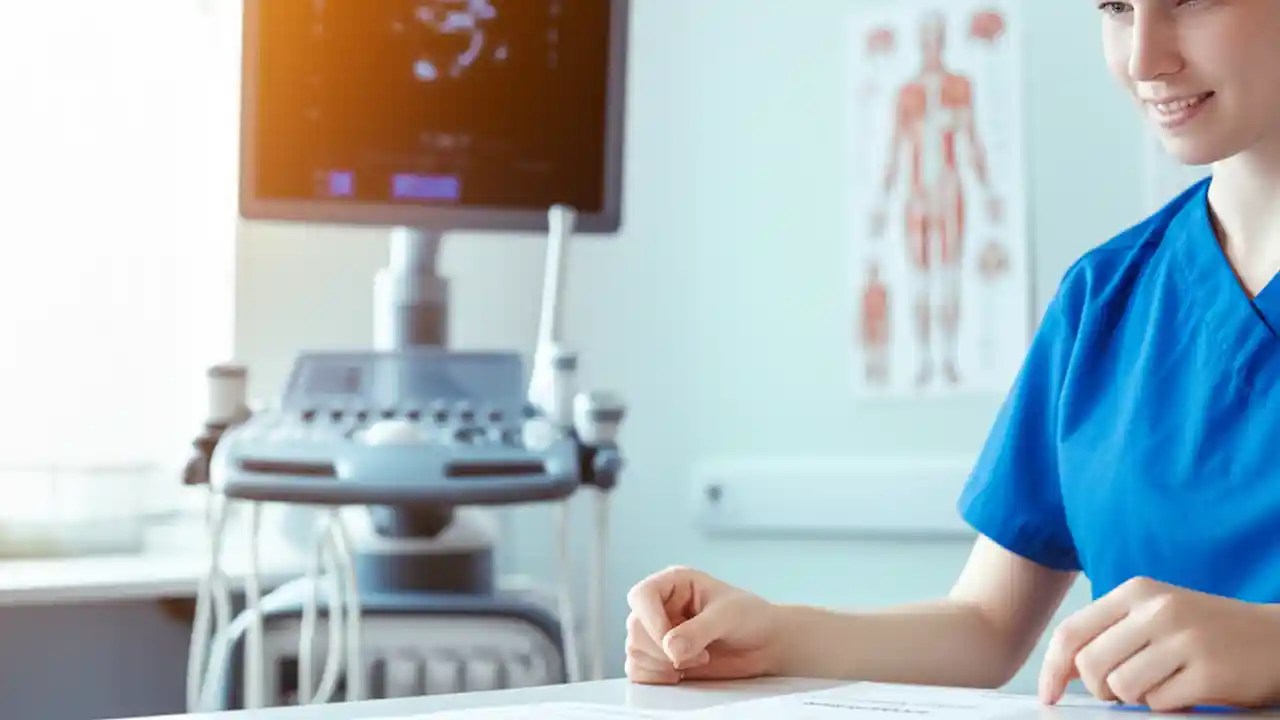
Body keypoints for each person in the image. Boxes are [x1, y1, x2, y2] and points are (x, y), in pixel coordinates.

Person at [624, 0, 1280, 712]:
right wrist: (775, 636)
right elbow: (986, 626)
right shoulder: (1106, 298)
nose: (1142, 58)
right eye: (1117, 8)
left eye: (1190, 2)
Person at [869, 12, 1002, 388]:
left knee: (949, 277)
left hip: (949, 191)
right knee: (919, 280)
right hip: (916, 196)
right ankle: (926, 359)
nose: (931, 45)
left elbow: (973, 141)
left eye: (937, 36)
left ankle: (949, 358)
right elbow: (894, 151)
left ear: (943, 39)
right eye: (926, 37)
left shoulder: (959, 86)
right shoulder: (907, 93)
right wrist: (881, 202)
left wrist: (988, 190)